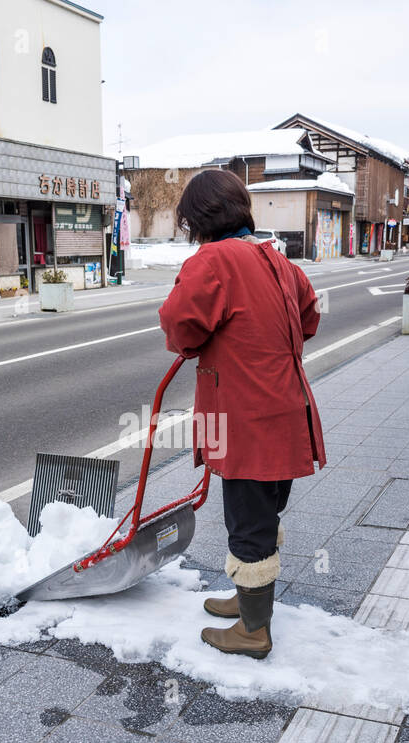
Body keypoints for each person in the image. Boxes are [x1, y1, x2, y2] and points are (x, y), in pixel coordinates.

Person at [158, 170, 326, 660]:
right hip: (288, 411)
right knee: (262, 513)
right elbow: (309, 317)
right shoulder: (277, 259)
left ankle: (254, 631)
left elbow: (180, 326)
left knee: (247, 521)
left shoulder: (212, 261)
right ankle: (247, 599)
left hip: (246, 418)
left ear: (199, 218)